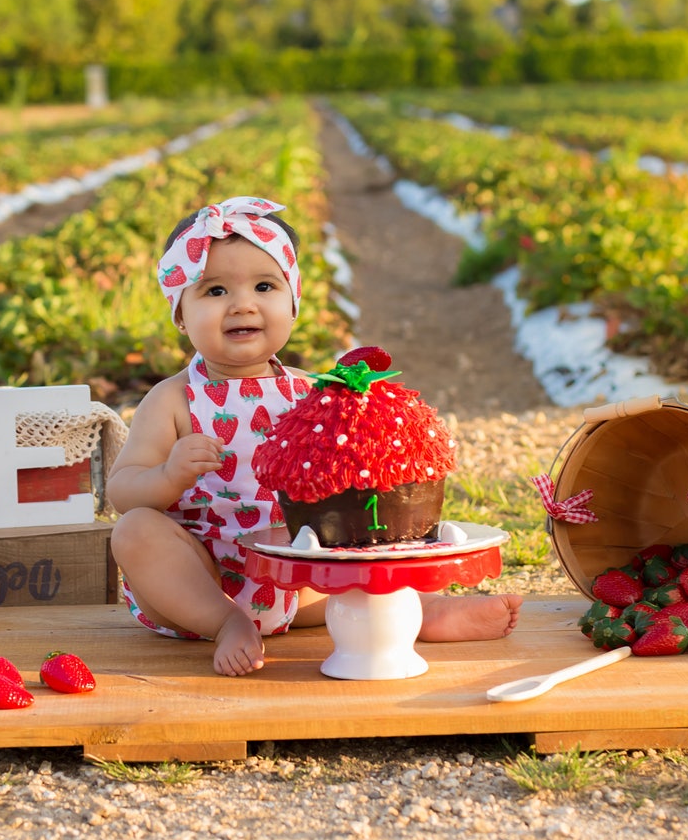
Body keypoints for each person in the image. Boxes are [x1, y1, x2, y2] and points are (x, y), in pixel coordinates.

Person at [108, 196, 522, 676]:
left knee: (360, 527)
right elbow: (122, 491)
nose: (243, 304)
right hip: (198, 585)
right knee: (135, 530)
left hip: (299, 577)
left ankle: (417, 613)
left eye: (265, 285)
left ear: (293, 302)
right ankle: (229, 625)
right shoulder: (172, 400)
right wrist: (167, 473)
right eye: (215, 291)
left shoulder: (311, 392)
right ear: (180, 314)